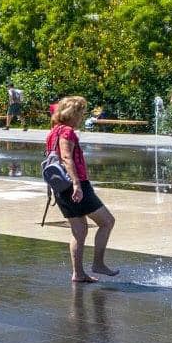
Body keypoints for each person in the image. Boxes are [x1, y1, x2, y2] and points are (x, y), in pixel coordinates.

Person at [45, 96, 119, 284]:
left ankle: (78, 274)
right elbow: (66, 157)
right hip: (75, 185)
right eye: (80, 113)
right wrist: (77, 184)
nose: (82, 117)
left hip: (60, 187)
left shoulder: (53, 132)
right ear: (72, 114)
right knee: (107, 221)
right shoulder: (67, 131)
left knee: (79, 231)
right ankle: (98, 264)